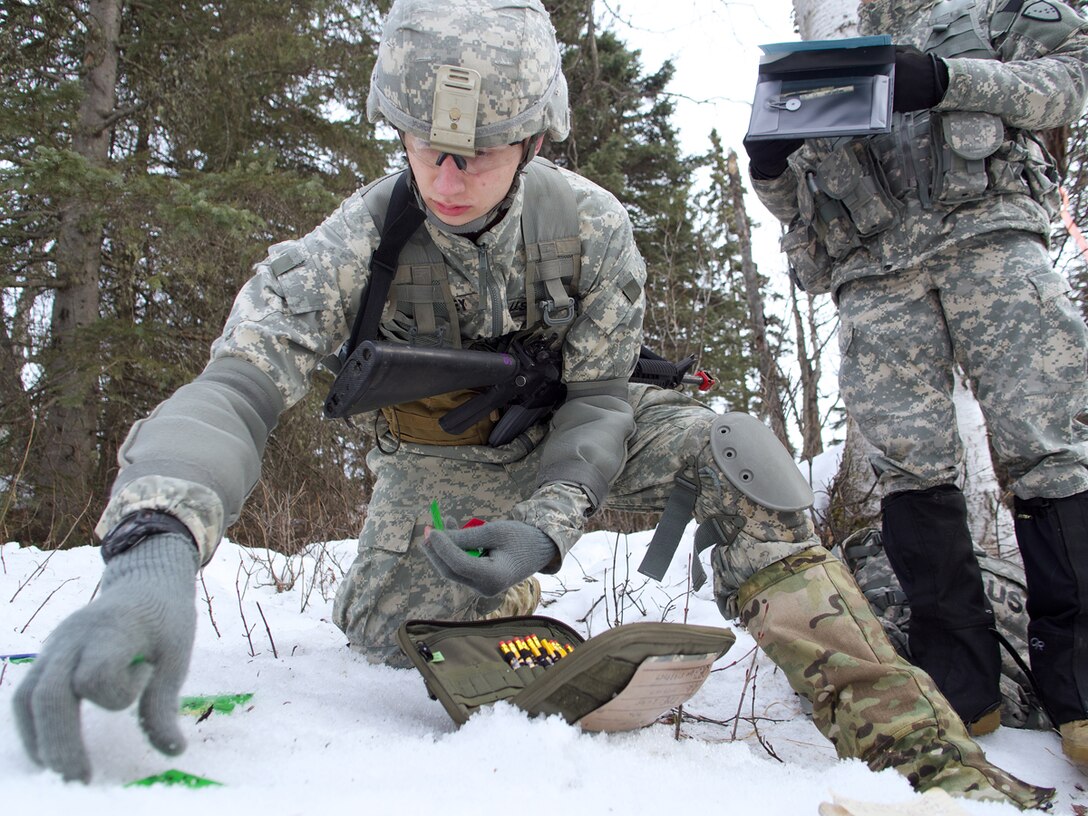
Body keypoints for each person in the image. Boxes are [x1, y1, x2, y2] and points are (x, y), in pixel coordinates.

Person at [13, 0, 1049, 806]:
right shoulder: (352, 244)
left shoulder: (591, 228)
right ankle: (480, 605)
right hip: (436, 468)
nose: (449, 174)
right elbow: (233, 391)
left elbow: (600, 403)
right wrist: (149, 551)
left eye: (481, 148)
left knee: (733, 452)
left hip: (575, 448)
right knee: (394, 641)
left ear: (537, 141)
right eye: (426, 147)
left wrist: (547, 528)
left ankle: (911, 746)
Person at [743, 0, 1088, 763]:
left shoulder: (998, 10)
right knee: (911, 476)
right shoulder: (826, 51)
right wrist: (767, 165)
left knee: (1051, 455)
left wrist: (946, 77)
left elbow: (1068, 82)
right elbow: (795, 199)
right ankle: (961, 688)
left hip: (991, 242)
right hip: (872, 275)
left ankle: (1082, 694)